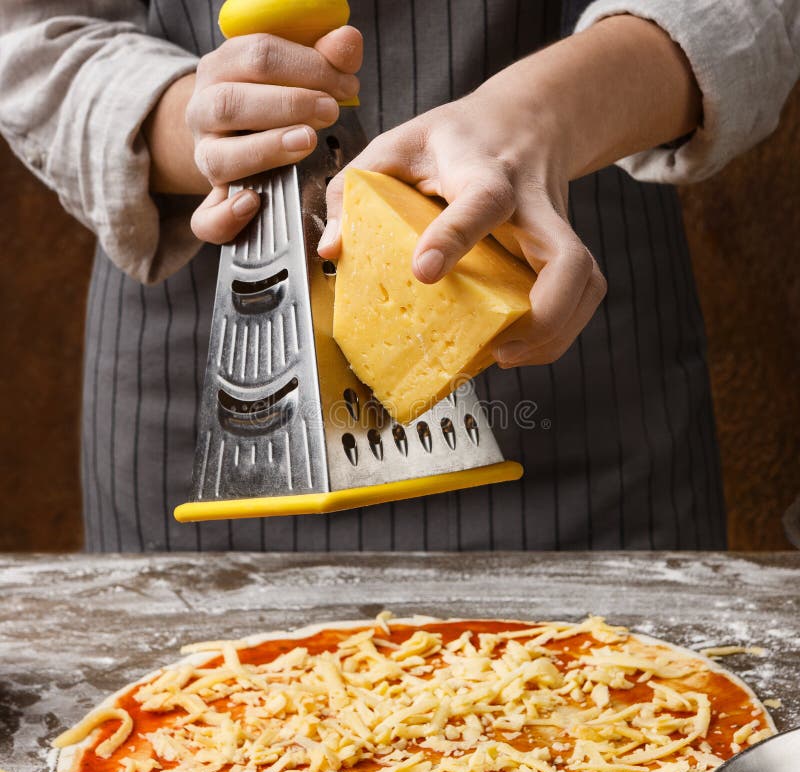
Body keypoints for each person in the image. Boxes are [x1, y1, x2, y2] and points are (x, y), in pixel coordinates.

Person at [1, 1, 797, 552]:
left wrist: (537, 119)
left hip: (576, 383)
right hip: (203, 409)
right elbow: (30, 33)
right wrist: (204, 126)